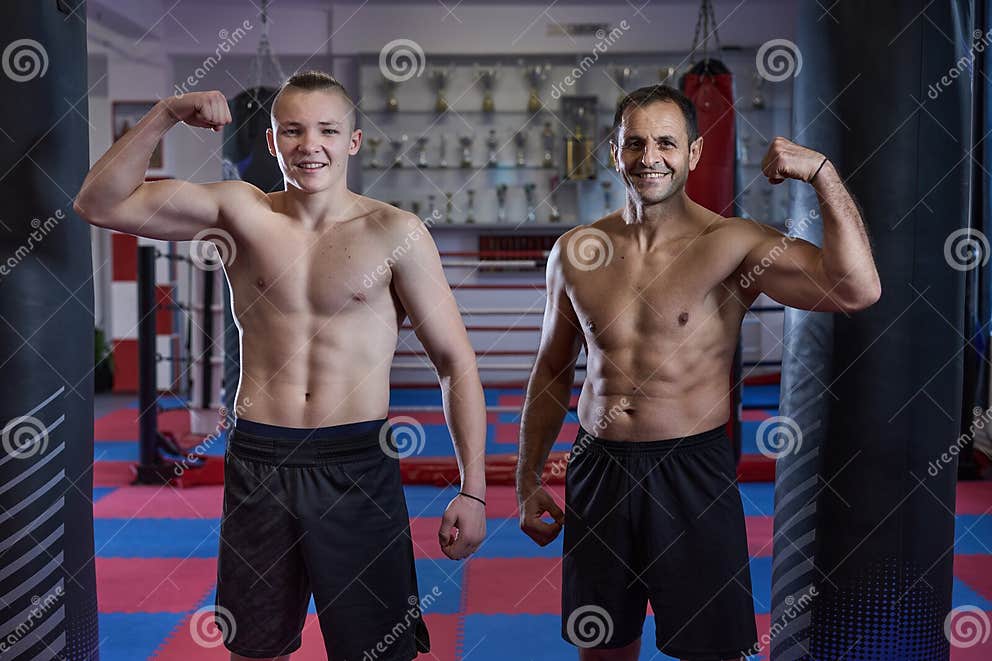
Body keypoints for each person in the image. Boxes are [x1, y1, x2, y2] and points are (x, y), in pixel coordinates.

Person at [74, 70, 488, 661]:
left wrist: (473, 491)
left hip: (356, 464)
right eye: (292, 131)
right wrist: (165, 112)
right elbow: (98, 201)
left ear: (353, 141)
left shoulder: (395, 232)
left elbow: (455, 362)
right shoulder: (240, 212)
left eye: (326, 130)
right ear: (271, 142)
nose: (309, 144)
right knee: (254, 648)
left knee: (378, 651)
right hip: (261, 459)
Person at [516, 84, 881, 661]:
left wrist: (823, 174)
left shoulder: (732, 243)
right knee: (602, 645)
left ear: (694, 152)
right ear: (614, 153)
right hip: (598, 468)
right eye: (634, 143)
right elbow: (553, 369)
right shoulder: (575, 250)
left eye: (666, 142)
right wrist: (528, 476)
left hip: (690, 471)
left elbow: (857, 289)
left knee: (711, 650)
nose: (649, 156)